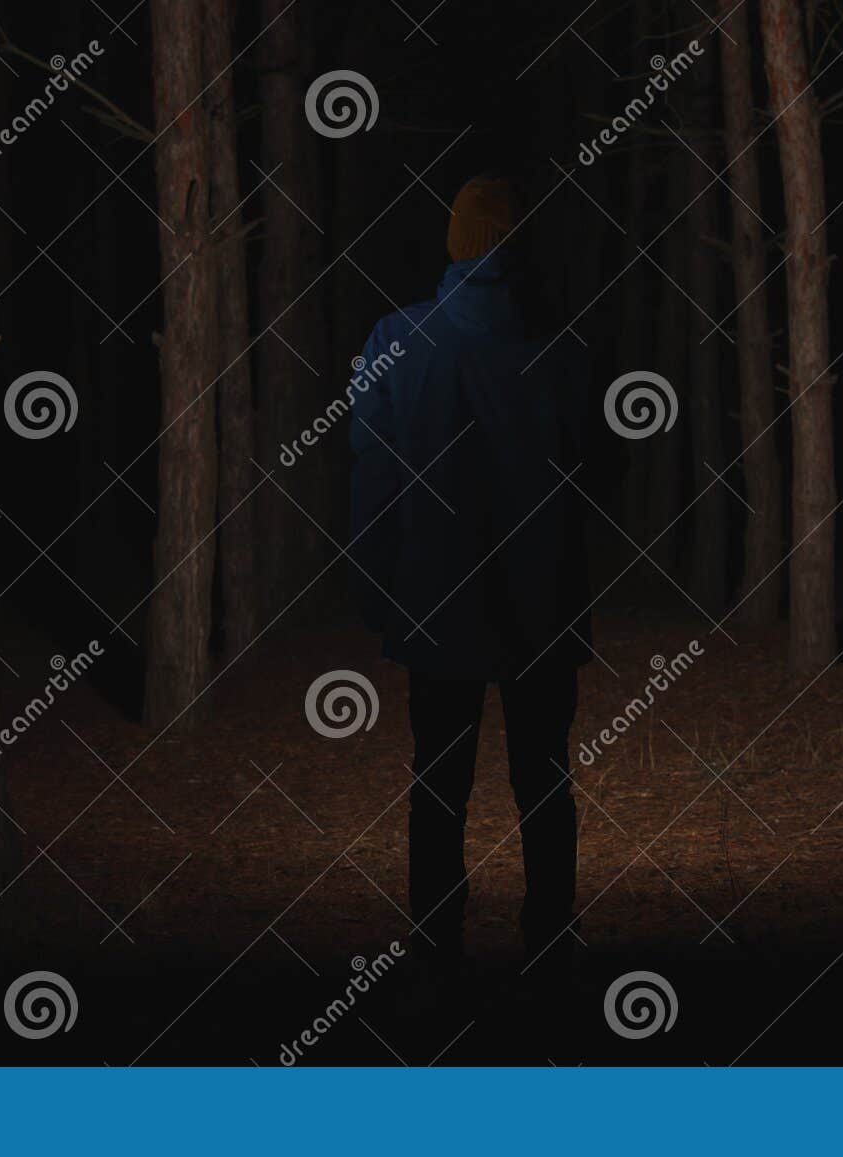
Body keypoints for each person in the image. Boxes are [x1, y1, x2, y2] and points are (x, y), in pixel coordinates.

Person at [348, 174, 595, 991]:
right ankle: (550, 939)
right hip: (540, 599)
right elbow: (591, 473)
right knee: (544, 773)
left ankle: (435, 943)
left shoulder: (397, 339)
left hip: (437, 597)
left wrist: (378, 583)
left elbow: (372, 472)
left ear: (455, 243)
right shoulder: (563, 349)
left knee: (438, 779)